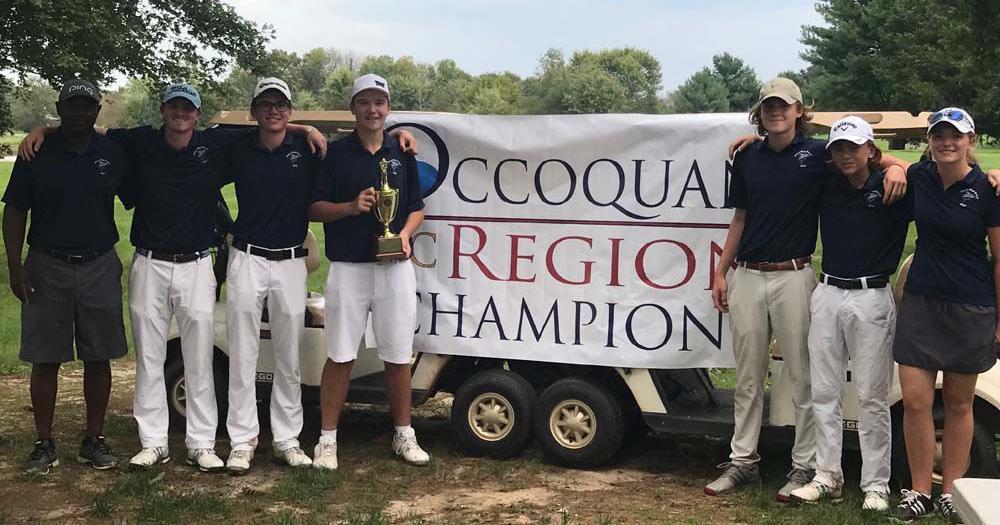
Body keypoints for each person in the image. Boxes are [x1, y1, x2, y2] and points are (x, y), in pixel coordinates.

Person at [18, 82, 329, 472]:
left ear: (197, 114)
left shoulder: (214, 145)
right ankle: (153, 441)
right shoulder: (142, 142)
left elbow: (270, 126)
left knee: (199, 356)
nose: (181, 114)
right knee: (150, 355)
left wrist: (307, 129)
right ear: (163, 110)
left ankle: (201, 443)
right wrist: (42, 131)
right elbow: (86, 128)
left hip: (197, 264)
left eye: (188, 108)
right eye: (174, 107)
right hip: (149, 262)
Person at [706, 78, 907, 502]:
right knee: (747, 375)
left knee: (804, 376)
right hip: (748, 274)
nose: (776, 111)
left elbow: (869, 158)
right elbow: (740, 218)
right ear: (760, 113)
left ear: (800, 111)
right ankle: (743, 461)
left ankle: (804, 466)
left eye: (784, 105)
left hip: (795, 274)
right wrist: (720, 271)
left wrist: (897, 165)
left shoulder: (820, 154)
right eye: (768, 106)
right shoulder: (747, 157)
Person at [782, 117, 911, 512]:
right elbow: (790, 143)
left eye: (854, 147)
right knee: (824, 390)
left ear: (870, 150)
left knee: (872, 395)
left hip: (872, 296)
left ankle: (875, 483)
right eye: (838, 148)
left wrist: (898, 165)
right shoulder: (828, 180)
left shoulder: (894, 186)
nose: (845, 155)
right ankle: (827, 476)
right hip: (828, 292)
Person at [2, 80, 129, 474]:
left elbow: (148, 190)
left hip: (99, 263)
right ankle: (44, 443)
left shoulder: (112, 152)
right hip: (46, 263)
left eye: (86, 106)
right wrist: (15, 266)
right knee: (45, 358)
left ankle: (94, 439)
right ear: (59, 107)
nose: (79, 113)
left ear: (97, 110)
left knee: (99, 355)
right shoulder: (35, 152)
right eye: (71, 106)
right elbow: (15, 211)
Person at [308, 73, 429, 470]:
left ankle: (403, 433)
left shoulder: (401, 151)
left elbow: (416, 206)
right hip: (349, 267)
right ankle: (327, 439)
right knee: (341, 353)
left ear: (388, 108)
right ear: (353, 108)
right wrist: (348, 207)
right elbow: (313, 208)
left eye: (379, 102)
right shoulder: (336, 153)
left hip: (395, 267)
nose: (372, 109)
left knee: (397, 355)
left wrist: (407, 235)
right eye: (364, 102)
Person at [890, 108, 1000, 522]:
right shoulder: (920, 178)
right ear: (930, 141)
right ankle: (919, 490)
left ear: (970, 141)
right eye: (939, 135)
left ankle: (953, 490)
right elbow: (878, 159)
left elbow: (999, 260)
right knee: (916, 401)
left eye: (955, 136)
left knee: (958, 403)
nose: (946, 142)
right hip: (921, 301)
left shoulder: (989, 190)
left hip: (971, 305)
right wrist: (898, 165)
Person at [220, 78, 318, 474]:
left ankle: (286, 438)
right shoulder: (238, 149)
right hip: (247, 257)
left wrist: (306, 130)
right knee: (242, 352)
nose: (274, 110)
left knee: (288, 355)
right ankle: (243, 439)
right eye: (266, 104)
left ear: (290, 111)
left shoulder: (307, 150)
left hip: (292, 260)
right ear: (254, 111)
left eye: (281, 105)